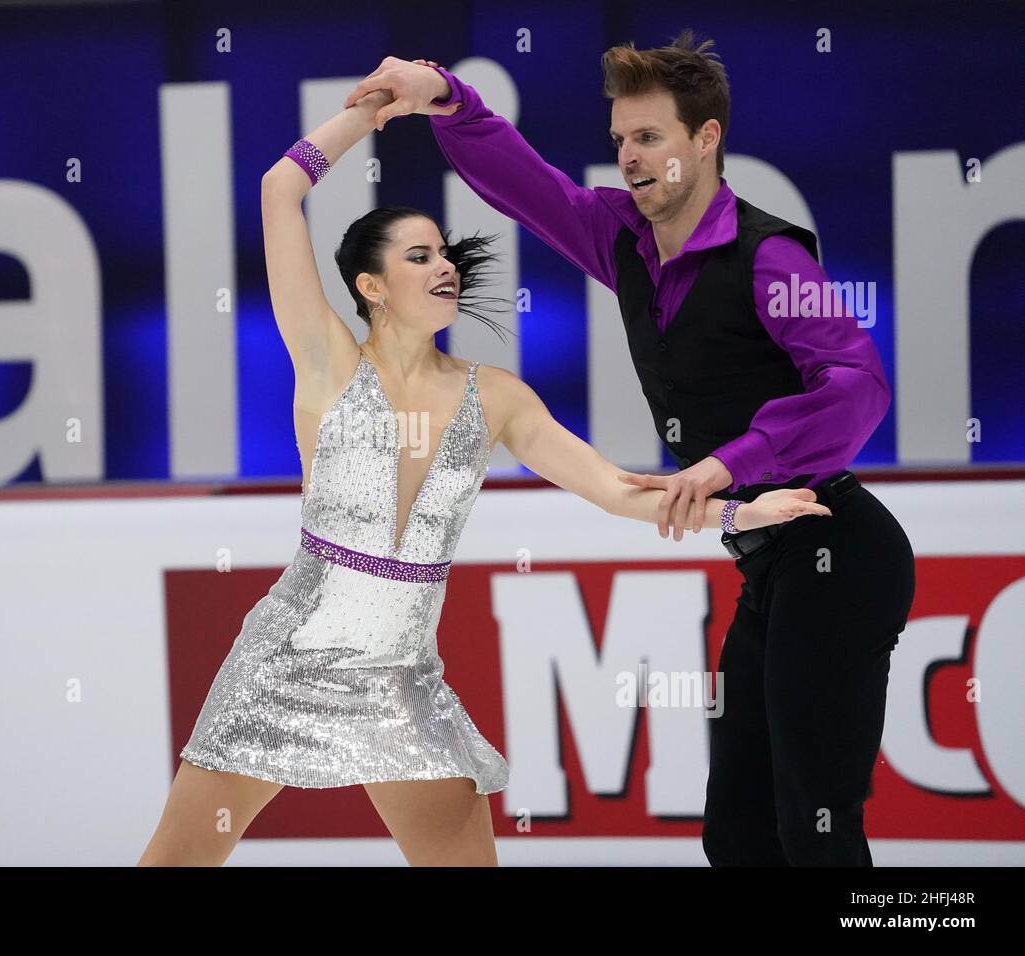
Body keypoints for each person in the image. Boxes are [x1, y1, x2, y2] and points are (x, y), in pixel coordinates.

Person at [135, 84, 828, 868]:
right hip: (287, 658)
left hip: (400, 680)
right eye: (419, 255)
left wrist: (738, 515)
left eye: (446, 255)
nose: (445, 268)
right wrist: (375, 113)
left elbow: (614, 489)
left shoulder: (493, 396)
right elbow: (279, 188)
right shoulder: (326, 363)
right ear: (370, 286)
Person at [343, 31, 917, 865]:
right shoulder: (628, 241)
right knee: (739, 835)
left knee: (814, 824)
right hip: (771, 563)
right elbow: (528, 186)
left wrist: (732, 460)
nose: (629, 158)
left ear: (705, 139)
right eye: (620, 141)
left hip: (840, 552)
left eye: (649, 138)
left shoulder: (768, 257)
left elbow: (859, 382)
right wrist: (443, 93)